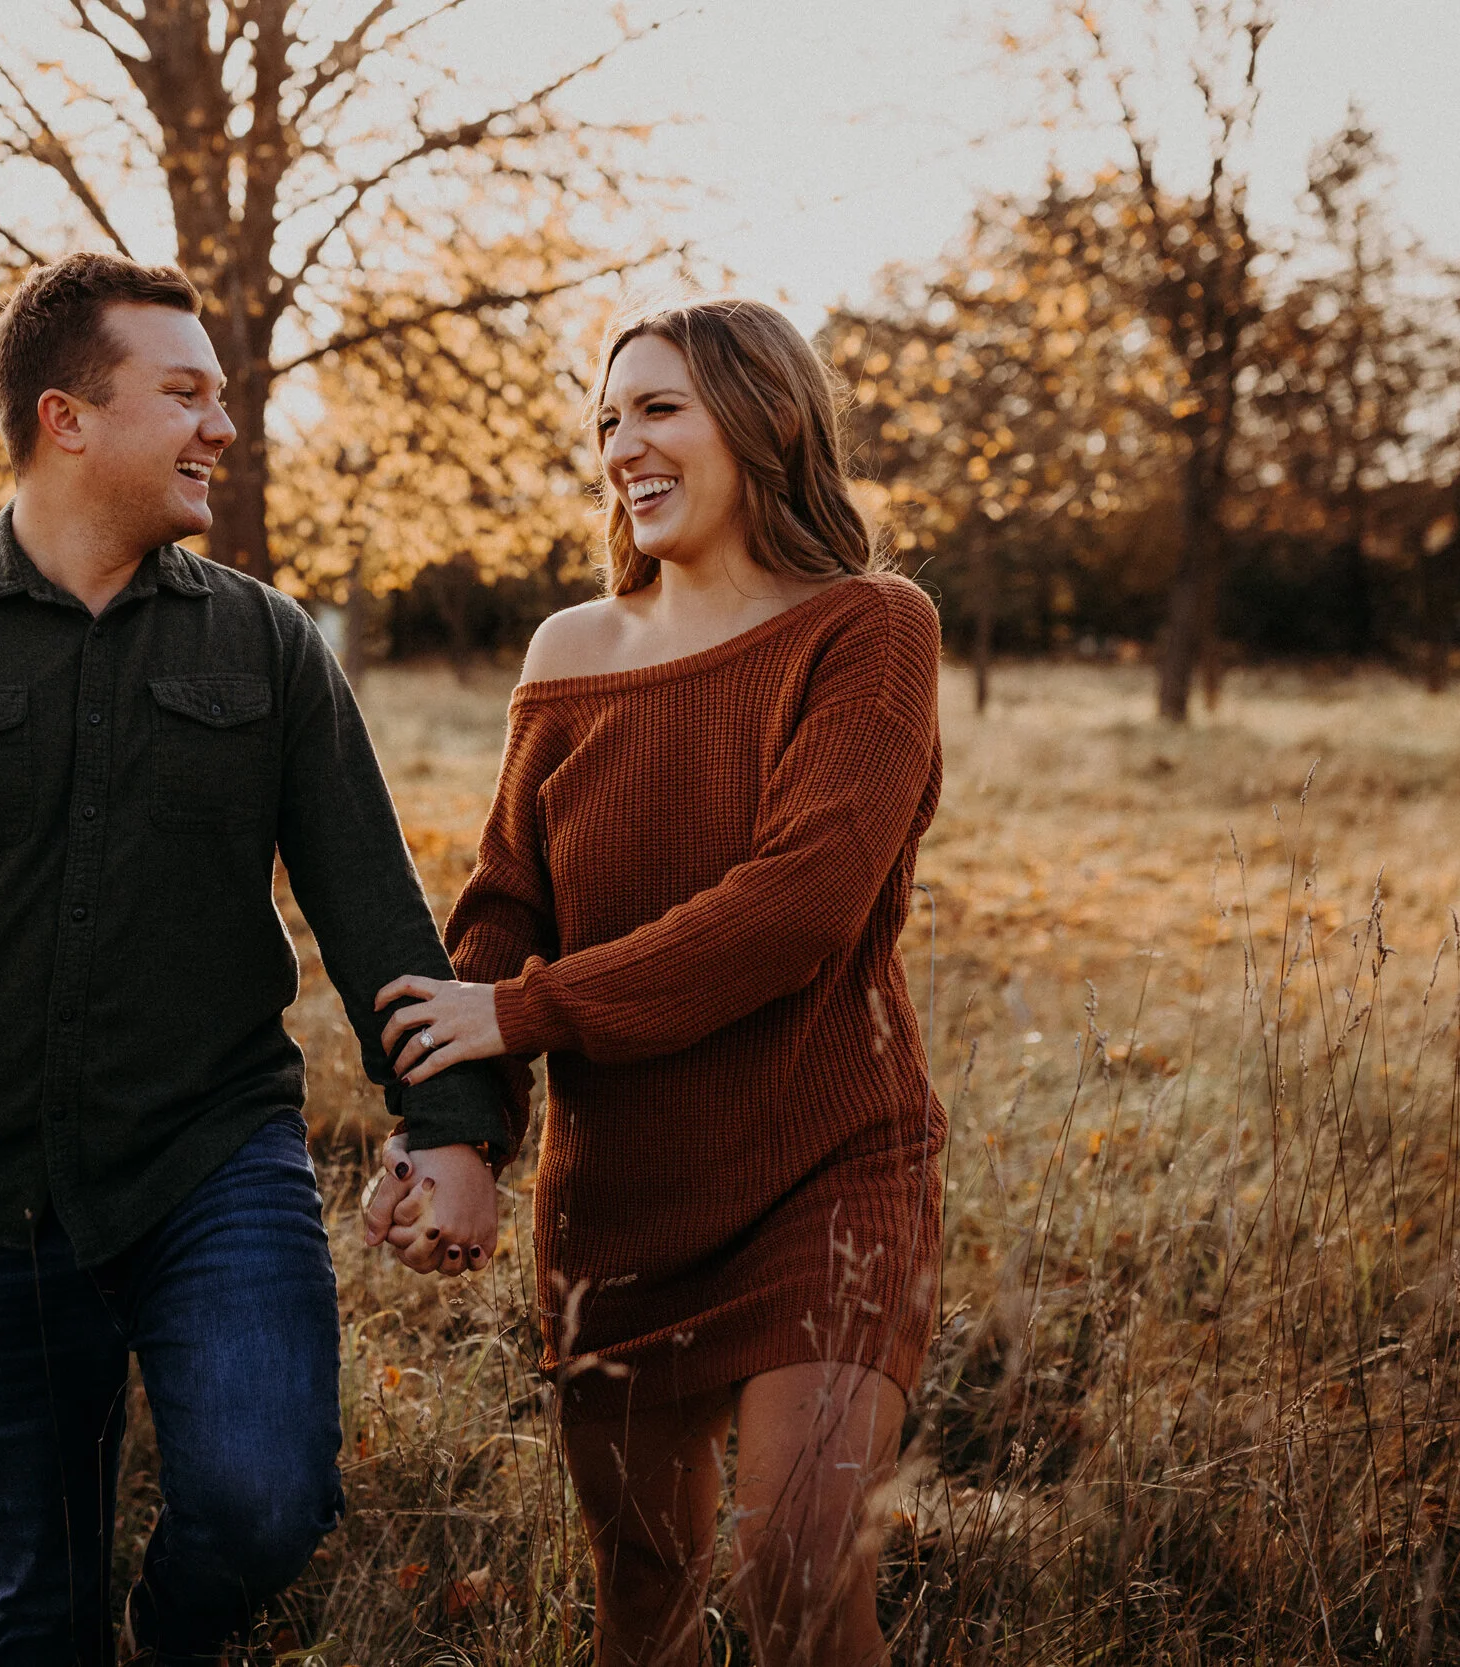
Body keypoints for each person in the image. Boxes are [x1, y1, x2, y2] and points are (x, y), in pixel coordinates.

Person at [0, 251, 512, 1665]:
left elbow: (375, 912)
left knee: (268, 1498)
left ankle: (171, 1635)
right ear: (66, 418)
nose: (224, 426)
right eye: (185, 394)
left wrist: (452, 1123)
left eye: (222, 396)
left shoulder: (265, 645)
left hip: (216, 1162)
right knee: (40, 1596)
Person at [360, 296, 946, 1667]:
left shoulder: (869, 627)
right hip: (619, 1195)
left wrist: (527, 1013)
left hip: (831, 1165)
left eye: (659, 407)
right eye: (607, 418)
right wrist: (452, 1133)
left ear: (769, 419)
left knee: (800, 1579)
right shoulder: (570, 652)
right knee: (646, 1602)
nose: (623, 443)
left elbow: (798, 905)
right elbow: (506, 907)